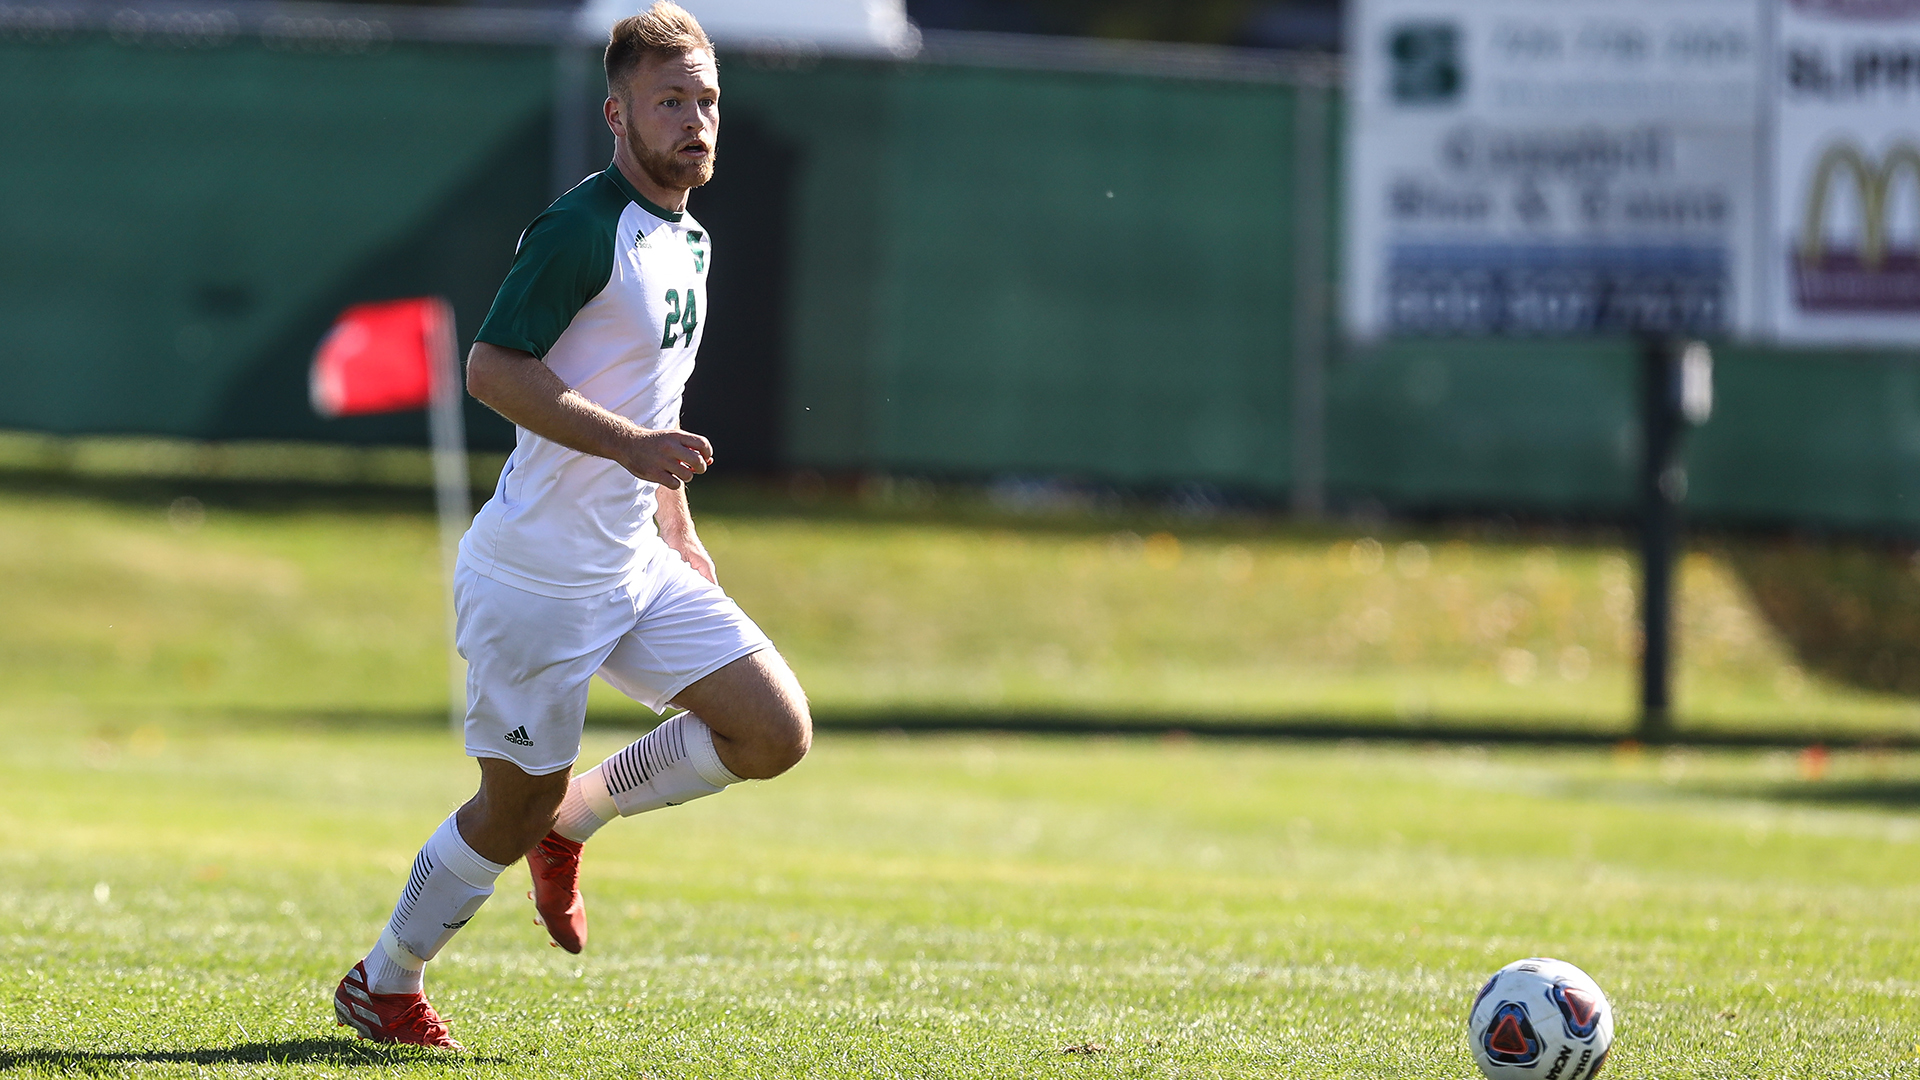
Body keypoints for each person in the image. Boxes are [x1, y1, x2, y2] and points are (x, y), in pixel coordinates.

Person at [332, 1, 810, 1049]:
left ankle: (577, 819)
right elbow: (493, 369)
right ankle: (385, 977)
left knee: (774, 730)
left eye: (708, 101)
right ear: (617, 113)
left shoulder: (689, 239)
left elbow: (657, 401)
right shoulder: (581, 226)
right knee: (505, 812)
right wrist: (630, 453)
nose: (696, 121)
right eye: (670, 101)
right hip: (536, 579)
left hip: (636, 561)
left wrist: (674, 520)